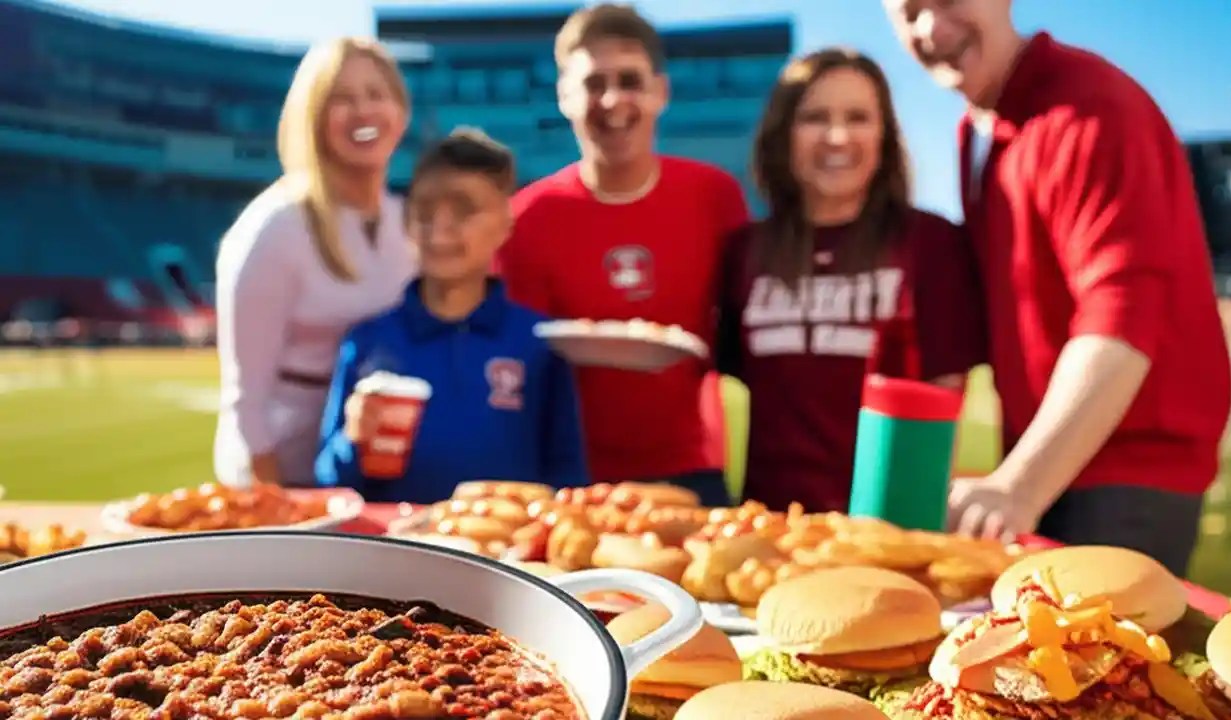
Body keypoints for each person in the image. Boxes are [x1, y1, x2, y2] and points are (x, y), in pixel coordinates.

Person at [882, 0, 1231, 574]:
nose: (930, 28)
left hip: (1125, 479)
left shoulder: (1091, 106)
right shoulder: (976, 130)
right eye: (908, 11)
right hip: (1044, 467)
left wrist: (1020, 484)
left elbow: (1120, 315)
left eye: (946, 1)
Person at [497, 4, 750, 505]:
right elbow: (523, 356)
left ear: (661, 92)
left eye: (630, 80)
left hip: (693, 467)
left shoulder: (714, 197)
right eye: (594, 84)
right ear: (565, 97)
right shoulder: (527, 217)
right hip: (569, 476)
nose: (613, 100)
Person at [717, 48, 985, 513]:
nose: (837, 136)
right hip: (770, 526)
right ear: (784, 135)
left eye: (858, 117)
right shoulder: (744, 251)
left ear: (884, 135)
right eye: (815, 117)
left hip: (890, 528)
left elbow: (947, 394)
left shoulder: (931, 243)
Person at [314, 130, 589, 503]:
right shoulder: (369, 341)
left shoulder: (541, 344)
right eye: (425, 210)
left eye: (464, 210)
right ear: (407, 221)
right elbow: (330, 481)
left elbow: (568, 479)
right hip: (397, 550)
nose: (440, 227)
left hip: (500, 550)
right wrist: (353, 440)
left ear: (505, 223)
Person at [214, 38, 416, 488]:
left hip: (370, 465)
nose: (364, 111)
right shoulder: (275, 227)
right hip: (284, 468)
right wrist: (273, 506)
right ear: (314, 116)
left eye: (376, 94)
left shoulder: (405, 220)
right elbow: (246, 400)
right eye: (341, 99)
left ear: (400, 112)